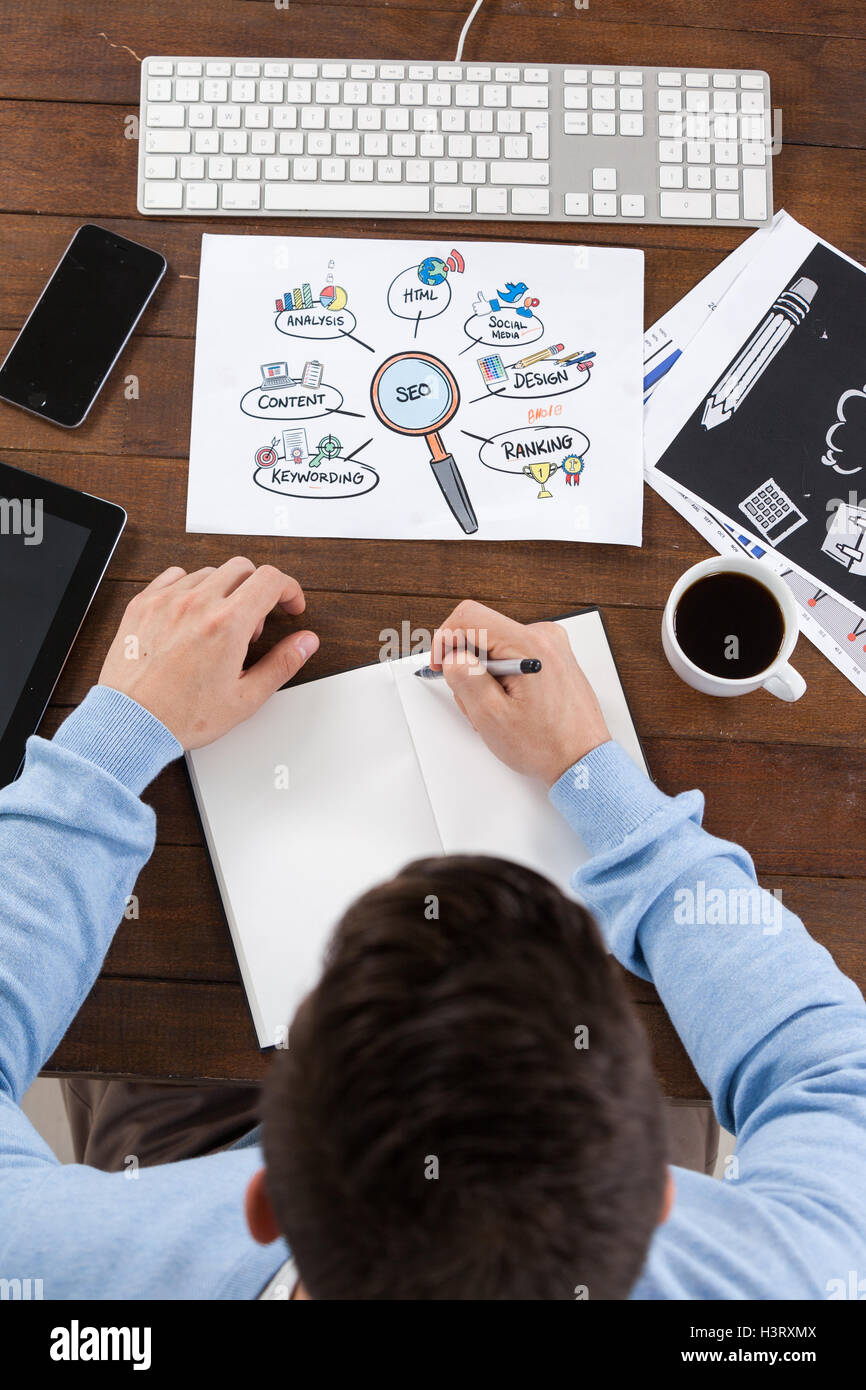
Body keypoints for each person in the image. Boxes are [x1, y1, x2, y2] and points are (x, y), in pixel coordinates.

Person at [0, 557, 864, 1300]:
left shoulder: (57, 1275)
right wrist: (594, 777)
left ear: (261, 1201)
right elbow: (835, 1077)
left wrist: (117, 737)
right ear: (662, 1196)